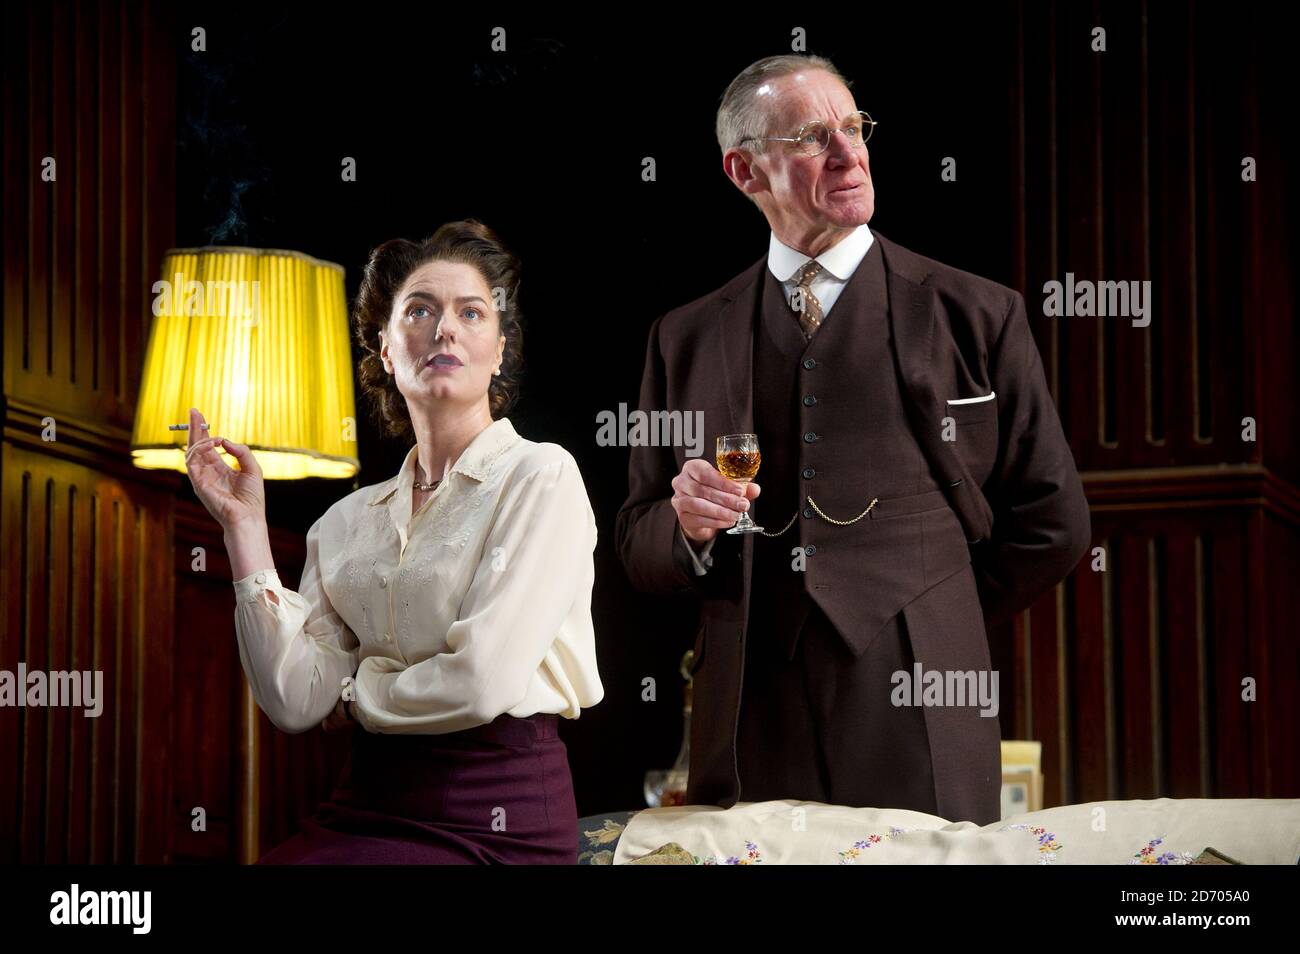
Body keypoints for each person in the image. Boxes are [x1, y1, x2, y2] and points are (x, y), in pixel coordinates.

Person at [616, 55, 1090, 826]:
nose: (849, 152)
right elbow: (637, 539)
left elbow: (1055, 523)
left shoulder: (978, 313)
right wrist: (688, 529)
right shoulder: (685, 338)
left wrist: (940, 617)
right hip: (747, 711)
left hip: (924, 701)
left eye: (854, 127)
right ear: (744, 171)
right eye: (811, 136)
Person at [186, 219, 603, 862]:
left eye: (471, 312)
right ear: (385, 348)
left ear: (498, 351)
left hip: (495, 815)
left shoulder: (540, 477)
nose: (445, 329)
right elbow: (296, 700)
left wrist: (357, 693)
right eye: (420, 310)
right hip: (365, 803)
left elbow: (481, 682)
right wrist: (243, 527)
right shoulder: (346, 521)